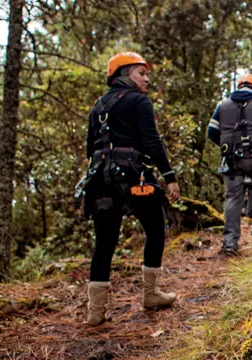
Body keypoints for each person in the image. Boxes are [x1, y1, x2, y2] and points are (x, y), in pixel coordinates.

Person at [81, 52, 181, 327]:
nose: (146, 79)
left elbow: (91, 148)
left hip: (101, 181)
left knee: (104, 243)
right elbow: (151, 140)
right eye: (141, 73)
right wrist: (169, 176)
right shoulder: (139, 101)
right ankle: (151, 295)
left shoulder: (98, 106)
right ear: (124, 75)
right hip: (135, 177)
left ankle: (95, 312)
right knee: (156, 230)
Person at [208, 74, 252, 252]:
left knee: (233, 198)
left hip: (232, 159)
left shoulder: (222, 106)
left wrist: (226, 146)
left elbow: (212, 131)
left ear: (238, 86)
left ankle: (230, 242)